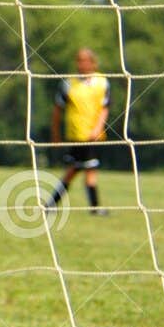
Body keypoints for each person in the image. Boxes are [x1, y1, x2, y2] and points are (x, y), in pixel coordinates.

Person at [45, 47, 111, 216]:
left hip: (93, 136)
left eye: (84, 60)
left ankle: (91, 208)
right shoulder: (68, 83)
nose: (81, 64)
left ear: (93, 62)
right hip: (76, 135)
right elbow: (57, 110)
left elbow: (105, 108)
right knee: (75, 171)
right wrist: (55, 135)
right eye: (78, 60)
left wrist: (98, 127)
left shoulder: (102, 82)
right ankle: (54, 205)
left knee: (87, 170)